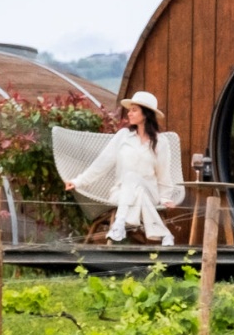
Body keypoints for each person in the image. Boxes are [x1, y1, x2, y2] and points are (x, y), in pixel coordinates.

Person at [70, 93, 178, 243]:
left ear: (145, 114)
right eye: (129, 110)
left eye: (134, 110)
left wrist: (165, 197)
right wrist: (79, 181)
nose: (129, 113)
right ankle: (164, 234)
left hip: (150, 192)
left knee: (132, 179)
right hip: (120, 193)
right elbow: (102, 163)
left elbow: (163, 173)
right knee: (132, 183)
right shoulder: (123, 136)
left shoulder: (161, 142)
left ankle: (119, 224)